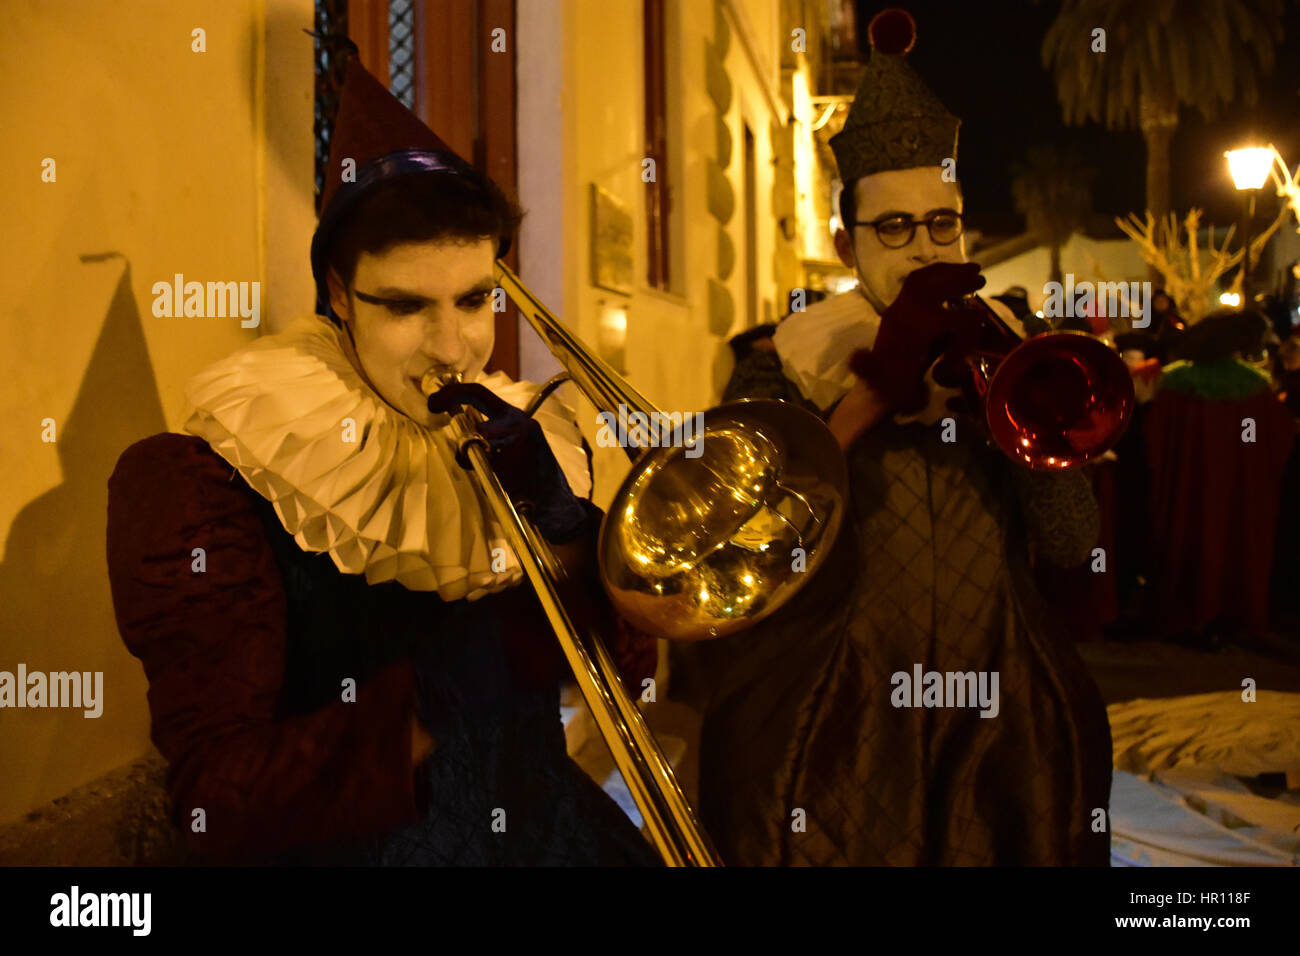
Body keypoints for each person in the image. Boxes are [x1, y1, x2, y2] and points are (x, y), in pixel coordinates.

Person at [106, 52, 659, 866]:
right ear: (337, 293)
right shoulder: (209, 475)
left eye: (475, 300)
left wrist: (566, 527)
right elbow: (215, 804)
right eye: (405, 307)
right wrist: (455, 683)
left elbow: (627, 670)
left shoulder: (511, 429)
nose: (453, 346)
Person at [670, 7, 1112, 866]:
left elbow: (1071, 540)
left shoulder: (1014, 346)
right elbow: (741, 548)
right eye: (895, 229)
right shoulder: (781, 360)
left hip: (1003, 711)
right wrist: (876, 390)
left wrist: (1011, 399)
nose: (920, 251)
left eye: (939, 225)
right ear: (845, 242)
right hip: (833, 719)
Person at [1144, 310, 1296, 649]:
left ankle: (1186, 613)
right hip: (1240, 491)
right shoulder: (1254, 385)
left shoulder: (1174, 382)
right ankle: (1232, 613)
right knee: (1235, 540)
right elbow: (1278, 438)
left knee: (1188, 535)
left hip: (1188, 490)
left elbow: (1154, 439)